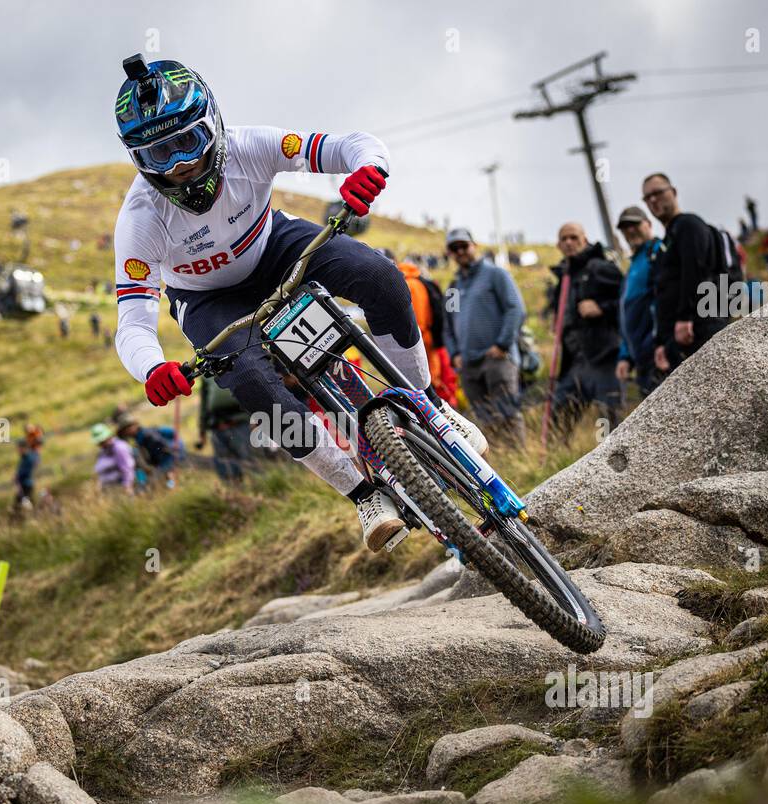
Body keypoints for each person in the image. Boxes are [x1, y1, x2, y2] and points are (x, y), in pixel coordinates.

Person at [109, 55, 484, 552]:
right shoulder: (139, 219)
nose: (178, 164)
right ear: (137, 159)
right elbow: (131, 324)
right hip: (206, 299)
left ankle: (428, 409)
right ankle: (363, 495)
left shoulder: (251, 146)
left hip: (274, 247)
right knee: (248, 382)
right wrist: (153, 369)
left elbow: (352, 145)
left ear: (213, 126)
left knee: (381, 276)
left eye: (187, 142)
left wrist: (368, 169)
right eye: (158, 155)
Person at [442, 227, 526, 440]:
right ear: (449, 252)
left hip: (498, 359)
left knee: (508, 415)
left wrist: (503, 344)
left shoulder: (495, 274)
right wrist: (455, 355)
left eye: (464, 245)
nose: (460, 251)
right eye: (454, 247)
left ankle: (523, 463)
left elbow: (515, 308)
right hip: (468, 365)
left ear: (474, 246)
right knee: (484, 422)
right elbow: (448, 326)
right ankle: (499, 467)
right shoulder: (454, 286)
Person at [641, 172, 727, 377]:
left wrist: (685, 318)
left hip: (697, 329)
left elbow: (695, 271)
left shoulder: (688, 225)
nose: (653, 200)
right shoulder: (668, 239)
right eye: (647, 197)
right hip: (680, 335)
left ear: (674, 192)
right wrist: (662, 342)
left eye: (658, 192)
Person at [547, 222, 624, 431]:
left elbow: (627, 301)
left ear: (585, 239)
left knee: (608, 423)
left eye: (574, 237)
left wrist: (602, 308)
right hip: (575, 362)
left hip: (604, 358)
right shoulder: (564, 277)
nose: (569, 242)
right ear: (558, 245)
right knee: (559, 417)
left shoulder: (600, 267)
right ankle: (561, 461)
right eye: (564, 239)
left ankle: (613, 461)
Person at [613, 207, 664, 400]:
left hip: (659, 354)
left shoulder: (658, 252)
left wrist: (662, 344)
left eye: (635, 224)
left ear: (649, 224)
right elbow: (626, 317)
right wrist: (625, 356)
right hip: (641, 359)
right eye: (625, 227)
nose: (630, 230)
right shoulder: (632, 267)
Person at [394, 257, 458, 407]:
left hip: (423, 345)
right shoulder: (414, 280)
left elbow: (417, 324)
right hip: (428, 344)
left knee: (431, 385)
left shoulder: (410, 284)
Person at [197, 376, 253, 482]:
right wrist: (202, 431)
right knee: (225, 466)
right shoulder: (206, 374)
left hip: (241, 423)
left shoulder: (239, 363)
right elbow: (204, 405)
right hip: (217, 427)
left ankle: (258, 491)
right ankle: (233, 494)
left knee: (250, 462)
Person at [117, 414, 184, 488]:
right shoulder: (140, 438)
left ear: (135, 425)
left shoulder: (147, 435)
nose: (127, 431)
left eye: (129, 427)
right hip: (166, 460)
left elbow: (162, 450)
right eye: (125, 430)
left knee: (160, 481)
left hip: (169, 460)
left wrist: (163, 466)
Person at [91, 422, 136, 494]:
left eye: (102, 441)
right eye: (99, 442)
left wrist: (128, 486)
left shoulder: (119, 448)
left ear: (108, 436)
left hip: (121, 488)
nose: (99, 444)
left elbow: (127, 468)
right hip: (109, 489)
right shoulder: (104, 450)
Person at [14, 438, 40, 506]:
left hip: (26, 486)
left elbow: (26, 472)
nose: (18, 450)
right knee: (26, 504)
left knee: (20, 506)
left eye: (19, 448)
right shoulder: (24, 458)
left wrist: (17, 476)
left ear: (24, 448)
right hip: (24, 485)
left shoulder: (28, 458)